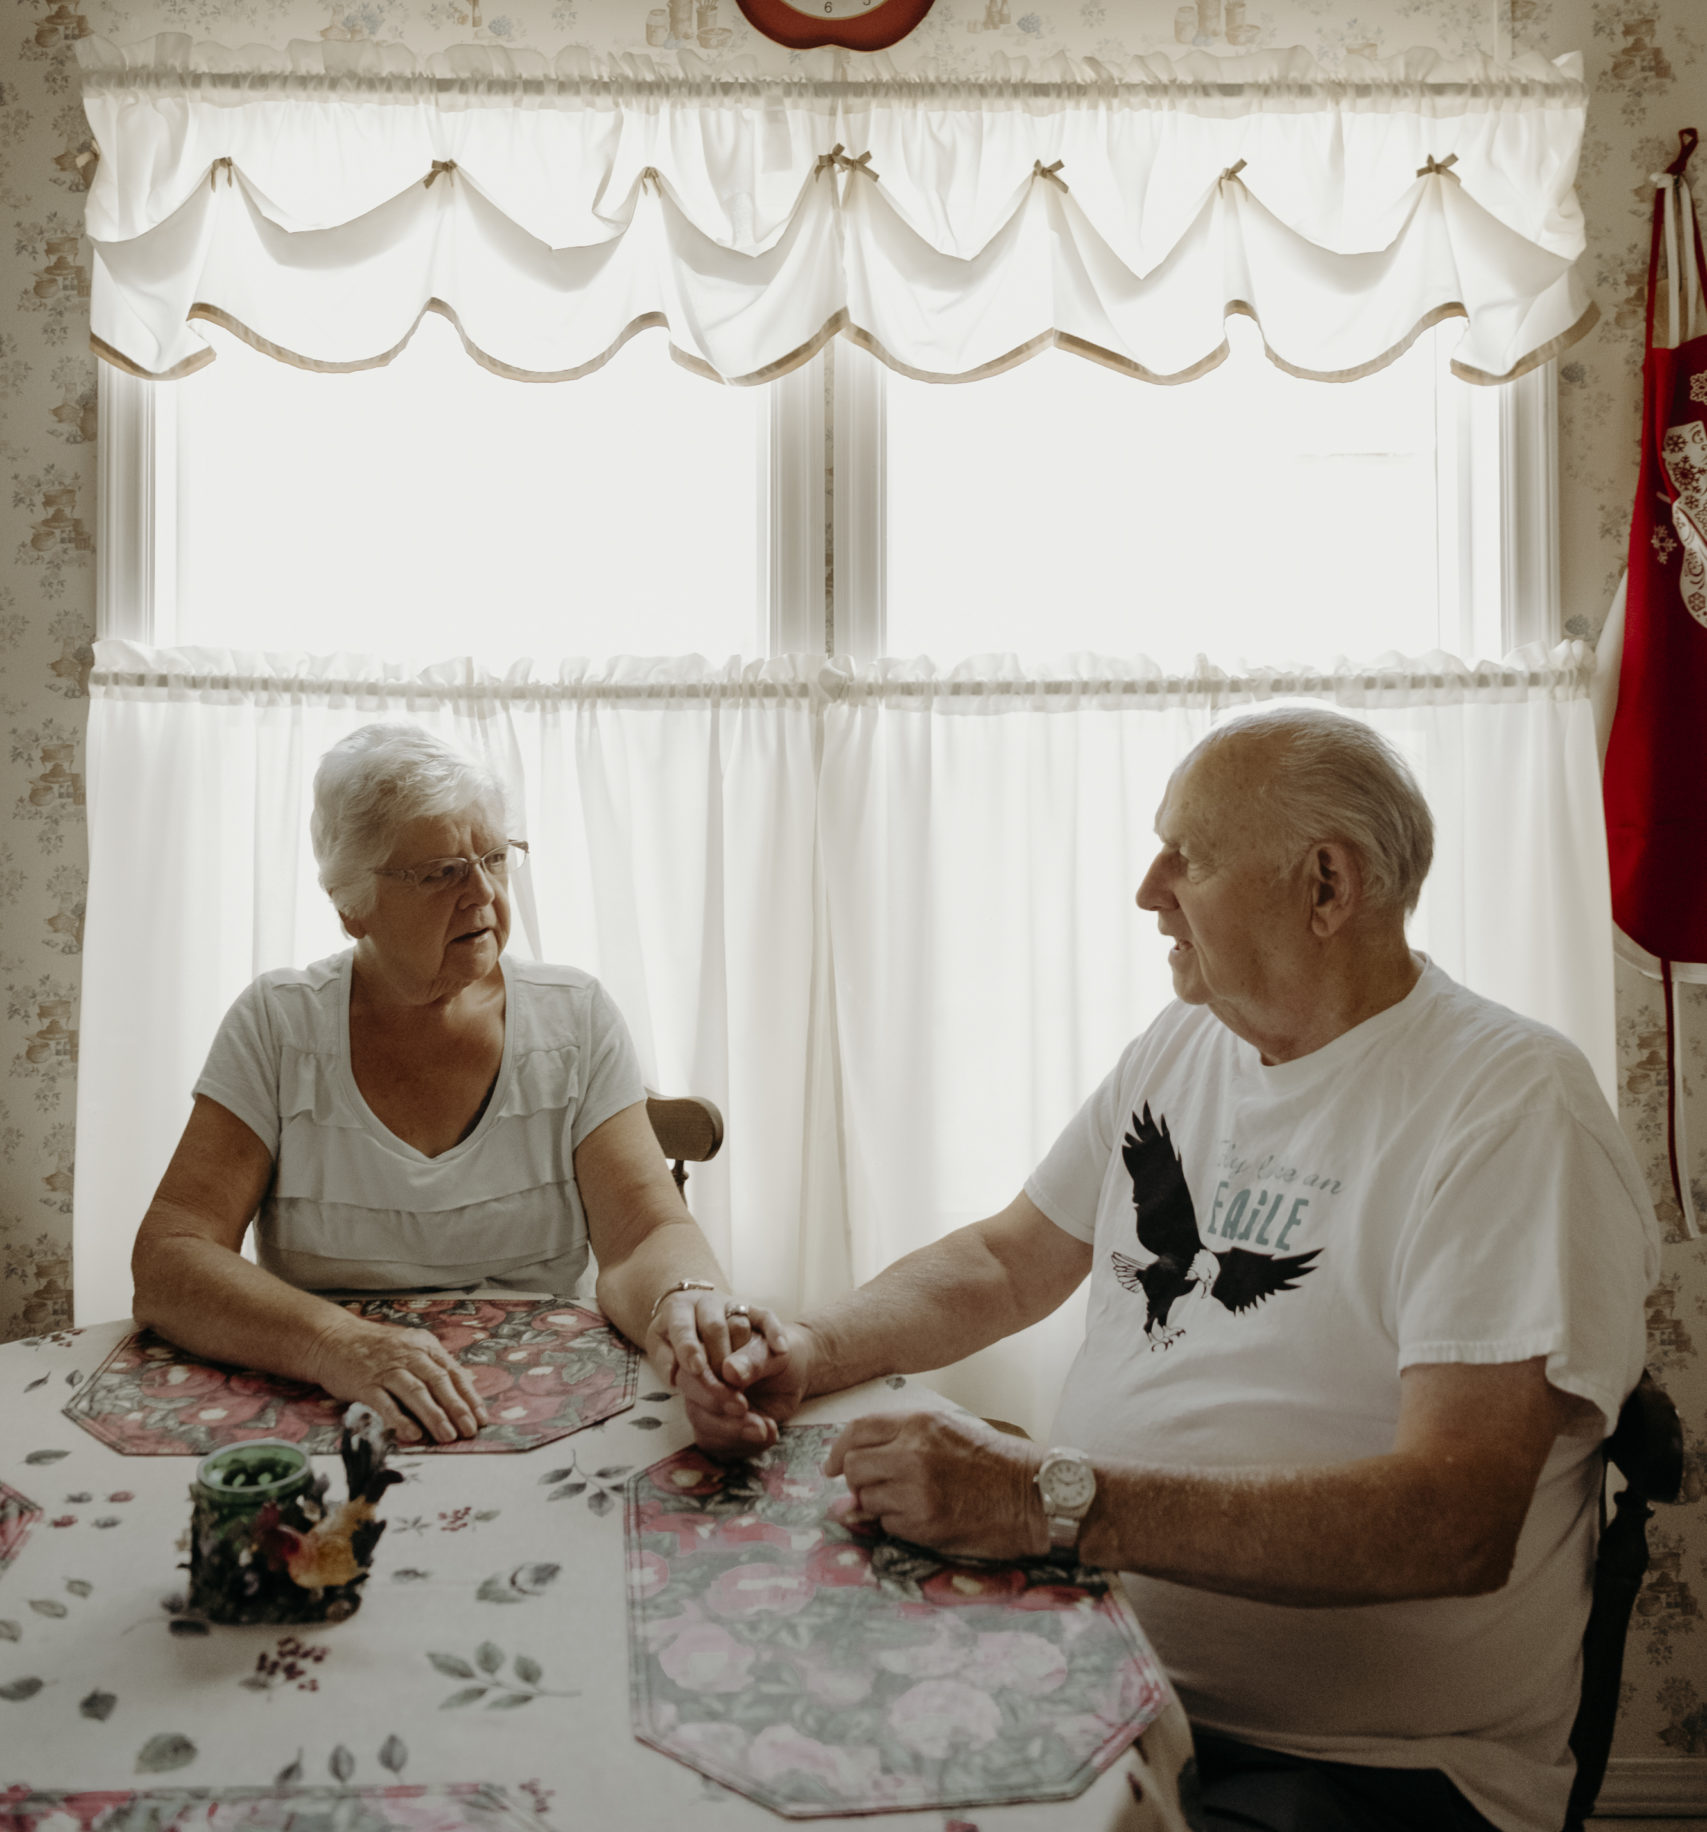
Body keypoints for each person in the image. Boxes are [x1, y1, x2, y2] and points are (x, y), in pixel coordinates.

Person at [695, 708, 1659, 1832]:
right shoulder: (1187, 1042)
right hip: (1102, 1668)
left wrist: (1043, 1500)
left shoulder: (1510, 1105)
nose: (1149, 888)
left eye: (1186, 854)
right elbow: (1008, 1259)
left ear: (1327, 885)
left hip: (1363, 1770)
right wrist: (810, 1346)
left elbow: (1451, 1518)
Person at [132, 722, 778, 1444]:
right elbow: (170, 1257)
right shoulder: (278, 1025)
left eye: (494, 858)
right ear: (352, 905)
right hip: (334, 1404)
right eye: (440, 871)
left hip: (544, 1400)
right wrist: (332, 1343)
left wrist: (684, 1306)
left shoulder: (574, 1016)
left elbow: (641, 1234)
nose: (481, 893)